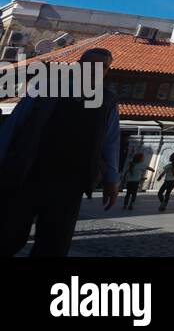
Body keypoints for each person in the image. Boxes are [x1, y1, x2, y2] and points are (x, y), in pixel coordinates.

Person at [0, 48, 120, 256]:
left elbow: (110, 141)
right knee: (9, 236)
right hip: (29, 173)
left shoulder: (107, 101)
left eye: (103, 67)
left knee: (54, 244)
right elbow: (16, 123)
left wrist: (112, 179)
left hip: (70, 182)